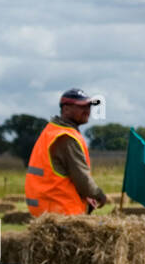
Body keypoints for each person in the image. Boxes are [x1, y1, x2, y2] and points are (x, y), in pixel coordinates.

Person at [25, 88, 108, 216]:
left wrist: (86, 195)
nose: (87, 111)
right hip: (60, 210)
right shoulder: (66, 137)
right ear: (66, 109)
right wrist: (98, 194)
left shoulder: (52, 130)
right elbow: (81, 176)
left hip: (47, 208)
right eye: (81, 106)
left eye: (89, 106)